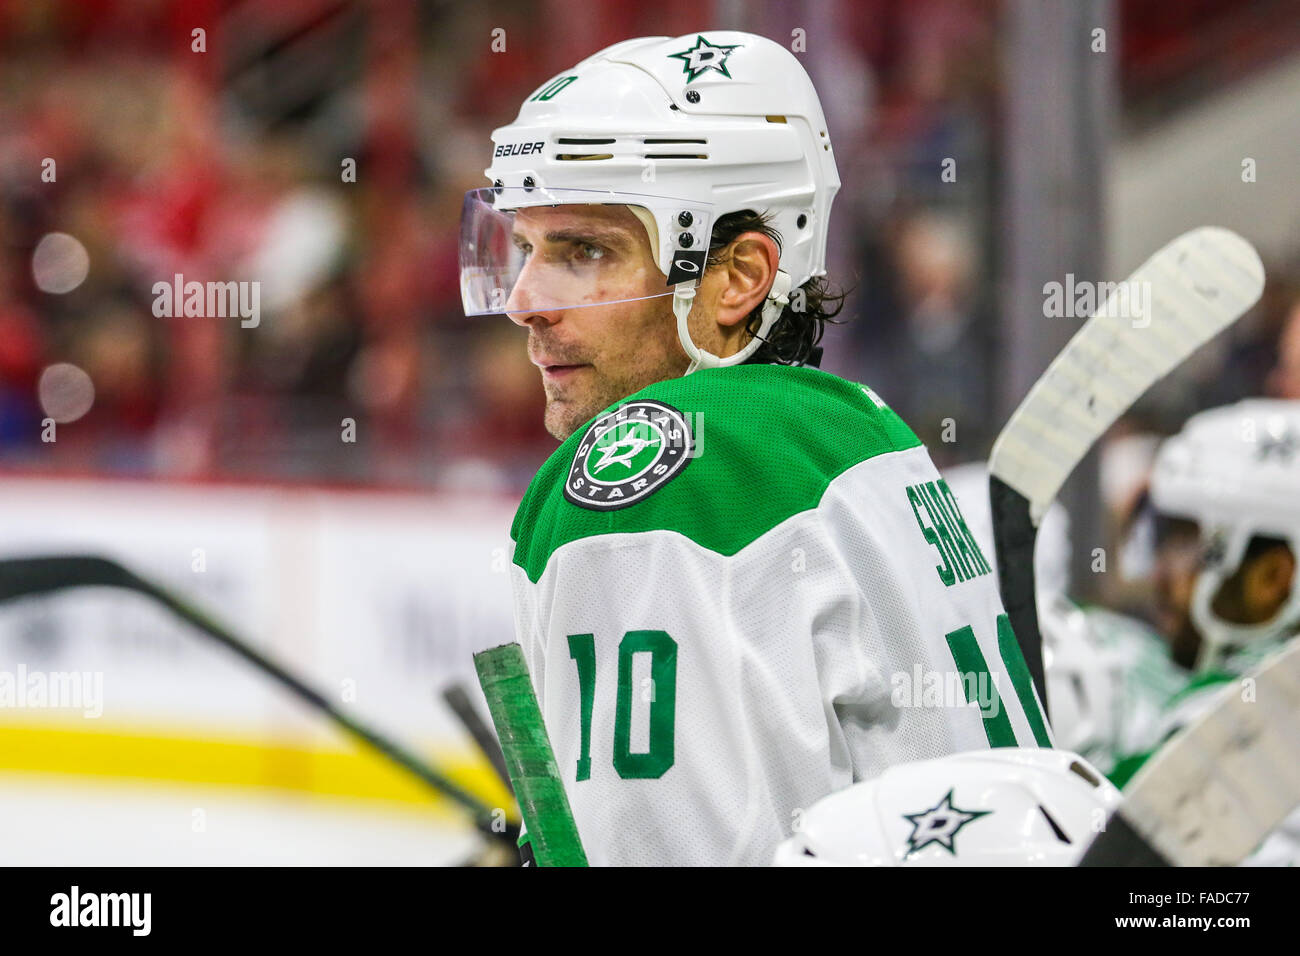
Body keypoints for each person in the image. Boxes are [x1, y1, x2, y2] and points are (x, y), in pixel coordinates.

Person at [460, 31, 1049, 867]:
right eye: (527, 248)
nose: (524, 301)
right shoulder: (863, 432)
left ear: (737, 278)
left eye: (584, 251)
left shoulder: (662, 473)